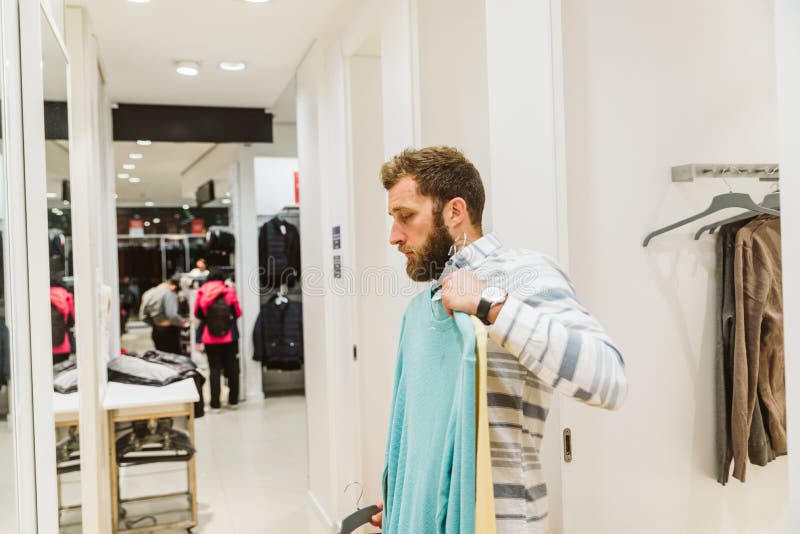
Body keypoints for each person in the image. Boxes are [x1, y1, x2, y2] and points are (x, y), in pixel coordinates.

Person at [373, 146, 628, 533]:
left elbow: (608, 379)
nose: (394, 236)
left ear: (455, 212)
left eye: (406, 216)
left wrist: (490, 304)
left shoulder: (521, 274)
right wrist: (407, 498)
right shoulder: (427, 304)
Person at [194, 268, 242, 411]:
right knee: (232, 367)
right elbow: (238, 313)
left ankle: (215, 404)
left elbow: (197, 314)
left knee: (214, 368)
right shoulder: (229, 291)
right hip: (230, 336)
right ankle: (233, 401)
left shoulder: (202, 291)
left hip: (210, 337)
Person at [139, 276, 185, 354]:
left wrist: (155, 323)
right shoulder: (169, 293)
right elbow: (172, 315)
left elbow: (143, 316)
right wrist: (181, 322)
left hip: (156, 330)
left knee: (161, 358)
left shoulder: (148, 293)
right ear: (174, 287)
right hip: (169, 331)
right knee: (173, 359)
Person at [50, 280, 75, 365]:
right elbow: (72, 321)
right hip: (64, 346)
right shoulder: (67, 296)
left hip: (46, 346)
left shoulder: (42, 295)